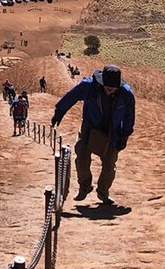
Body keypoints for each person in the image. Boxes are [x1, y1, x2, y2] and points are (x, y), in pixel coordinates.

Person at [51, 65, 136, 205]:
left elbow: (129, 116)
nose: (110, 91)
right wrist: (59, 112)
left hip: (112, 132)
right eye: (107, 87)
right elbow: (71, 97)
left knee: (109, 166)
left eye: (113, 88)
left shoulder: (126, 94)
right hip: (89, 127)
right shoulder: (89, 86)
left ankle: (103, 193)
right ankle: (85, 186)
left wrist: (125, 136)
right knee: (82, 158)